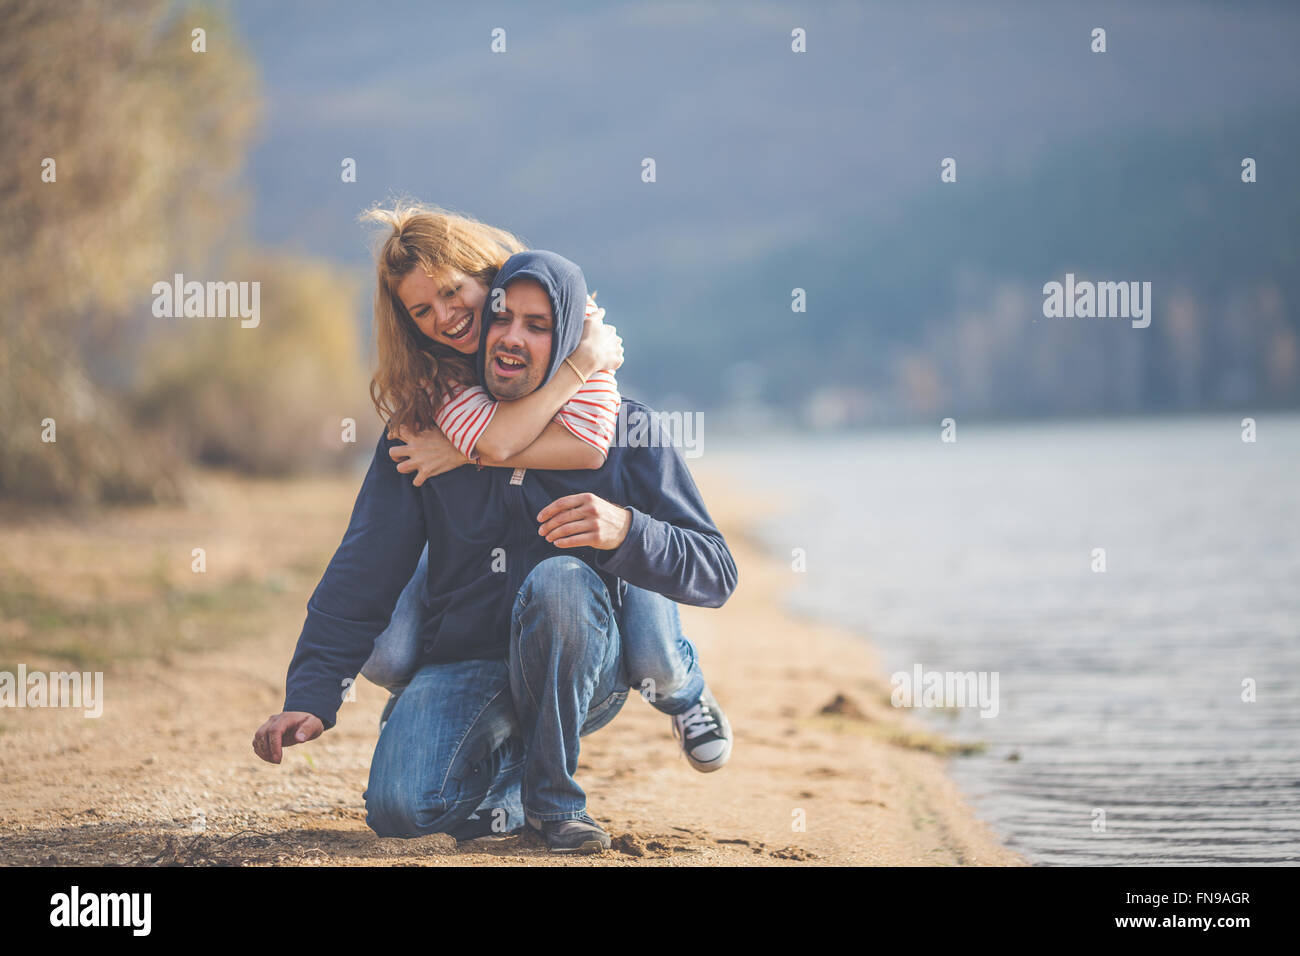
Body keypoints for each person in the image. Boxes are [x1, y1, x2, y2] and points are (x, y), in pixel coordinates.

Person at [352, 202, 730, 771]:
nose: (447, 318)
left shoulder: (607, 394)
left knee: (655, 658)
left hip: (594, 587)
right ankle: (426, 707)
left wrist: (625, 527)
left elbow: (587, 450)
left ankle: (686, 696)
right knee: (384, 654)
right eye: (423, 310)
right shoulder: (436, 397)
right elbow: (368, 548)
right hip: (482, 622)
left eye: (455, 293)